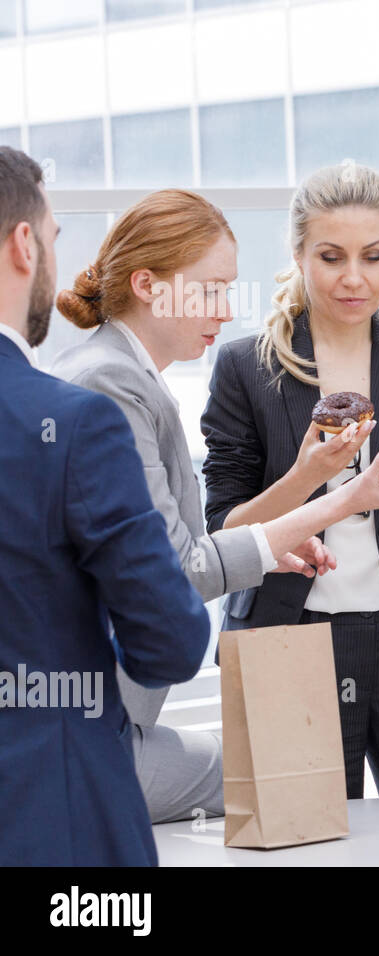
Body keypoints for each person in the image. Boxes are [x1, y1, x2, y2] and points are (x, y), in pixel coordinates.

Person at [49, 188, 379, 822]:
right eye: (211, 290)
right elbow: (179, 569)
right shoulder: (111, 385)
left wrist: (297, 500)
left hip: (95, 719)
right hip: (85, 730)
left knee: (279, 769)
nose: (227, 311)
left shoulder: (113, 372)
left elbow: (184, 549)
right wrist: (345, 502)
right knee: (281, 770)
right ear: (147, 284)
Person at [201, 163, 379, 799]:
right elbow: (224, 531)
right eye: (331, 257)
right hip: (288, 641)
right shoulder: (245, 368)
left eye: (374, 256)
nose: (354, 278)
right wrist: (310, 478)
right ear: (300, 254)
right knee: (305, 845)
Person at [0, 147, 210, 865]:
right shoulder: (74, 420)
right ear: (24, 244)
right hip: (52, 820)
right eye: (56, 238)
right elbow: (172, 640)